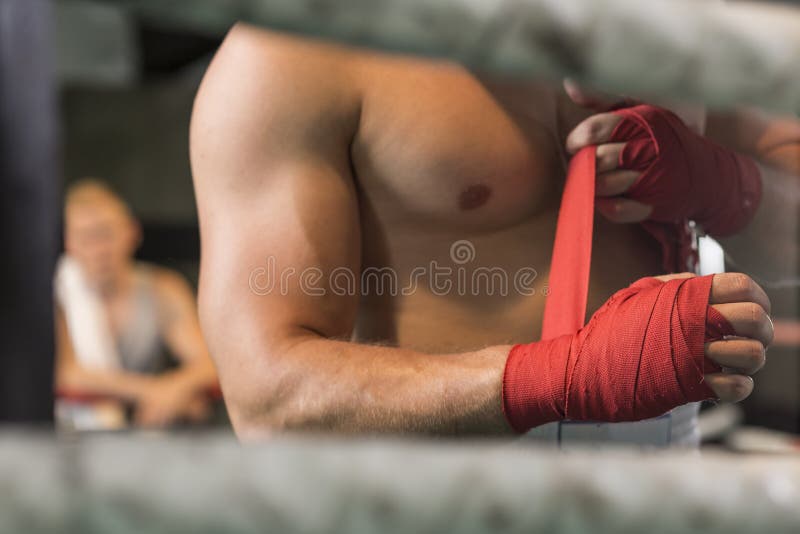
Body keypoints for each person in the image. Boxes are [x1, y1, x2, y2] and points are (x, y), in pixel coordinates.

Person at [189, 24, 798, 440]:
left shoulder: (670, 32)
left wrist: (727, 186)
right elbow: (266, 399)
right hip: (437, 483)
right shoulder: (300, 48)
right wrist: (554, 378)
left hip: (661, 464)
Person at [55, 179, 218, 428]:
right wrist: (155, 392)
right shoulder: (58, 293)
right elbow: (65, 375)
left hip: (149, 435)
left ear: (132, 233)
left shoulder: (163, 290)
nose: (98, 249)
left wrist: (175, 392)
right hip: (70, 438)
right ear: (70, 244)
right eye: (86, 237)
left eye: (105, 233)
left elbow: (208, 364)